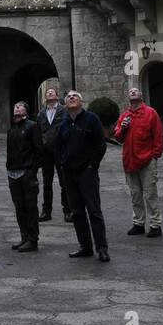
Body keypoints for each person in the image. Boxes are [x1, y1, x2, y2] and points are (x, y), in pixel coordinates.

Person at [55, 91, 109, 262]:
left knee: (94, 211)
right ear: (65, 103)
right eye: (69, 97)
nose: (71, 97)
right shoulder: (63, 123)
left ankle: (101, 248)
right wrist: (62, 164)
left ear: (81, 101)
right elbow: (58, 146)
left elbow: (101, 144)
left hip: (87, 172)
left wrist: (93, 165)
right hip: (69, 173)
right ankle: (85, 246)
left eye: (75, 96)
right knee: (77, 212)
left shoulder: (91, 118)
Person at [114, 87, 163, 237]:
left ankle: (155, 225)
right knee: (135, 194)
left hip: (147, 160)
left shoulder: (151, 113)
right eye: (130, 91)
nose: (133, 92)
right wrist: (123, 129)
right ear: (127, 97)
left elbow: (158, 135)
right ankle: (138, 223)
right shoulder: (124, 116)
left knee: (150, 194)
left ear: (141, 96)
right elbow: (118, 137)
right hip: (130, 161)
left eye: (136, 91)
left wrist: (155, 156)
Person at [5, 101, 43, 253]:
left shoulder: (32, 126)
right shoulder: (12, 129)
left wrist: (32, 171)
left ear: (25, 111)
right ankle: (24, 237)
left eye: (19, 107)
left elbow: (39, 150)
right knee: (19, 207)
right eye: (15, 107)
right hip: (13, 173)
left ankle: (33, 240)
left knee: (30, 207)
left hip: (27, 172)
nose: (16, 108)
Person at [37, 87, 70, 223]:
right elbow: (39, 131)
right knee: (47, 183)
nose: (49, 93)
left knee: (64, 182)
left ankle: (68, 211)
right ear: (46, 97)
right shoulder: (41, 113)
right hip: (46, 153)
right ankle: (46, 211)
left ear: (57, 96)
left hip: (61, 151)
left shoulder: (64, 110)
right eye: (48, 92)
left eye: (52, 92)